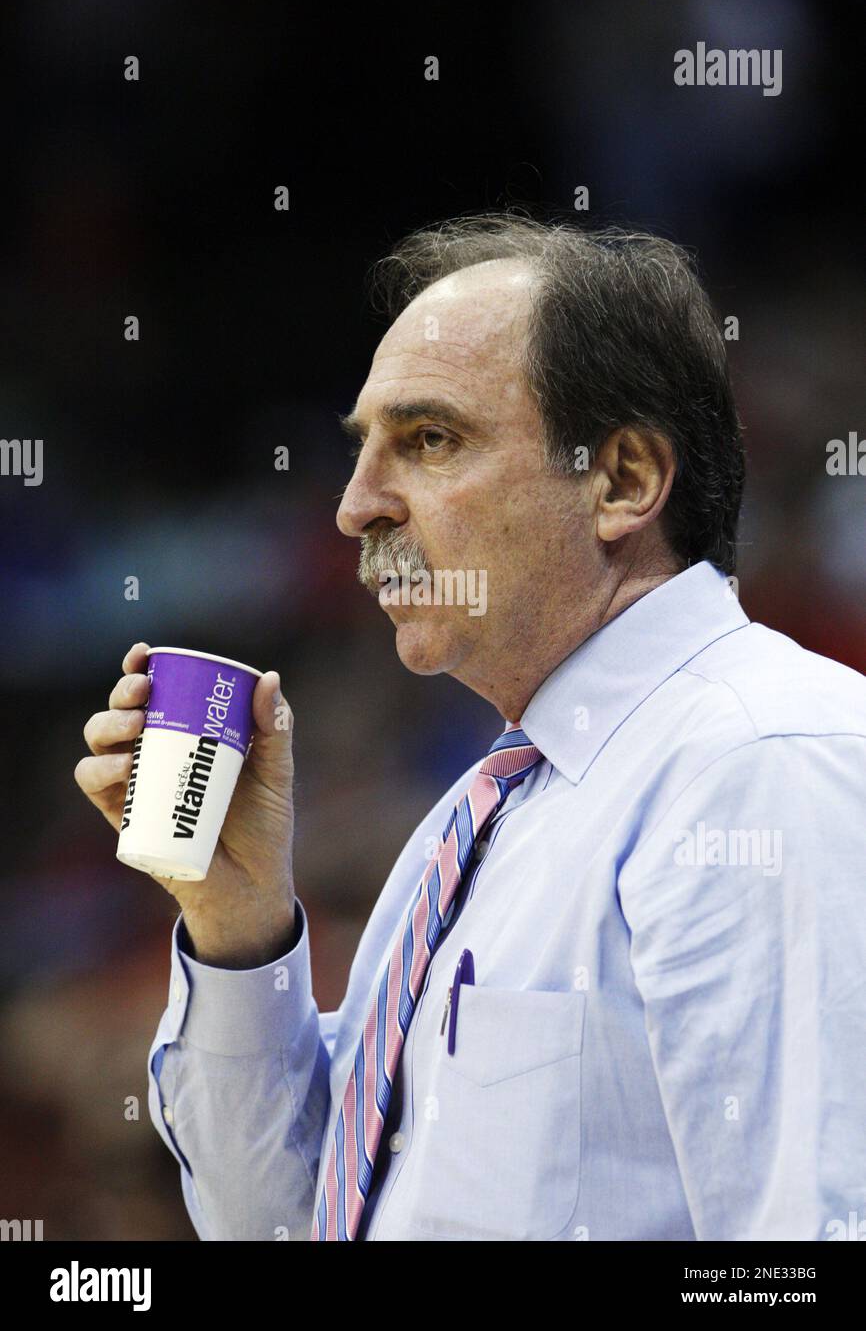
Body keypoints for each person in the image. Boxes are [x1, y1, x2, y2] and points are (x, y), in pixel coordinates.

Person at [75, 212, 866, 1241]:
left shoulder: (763, 765)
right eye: (362, 450)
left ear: (621, 479)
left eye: (429, 439)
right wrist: (236, 922)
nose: (355, 506)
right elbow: (275, 1226)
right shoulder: (483, 811)